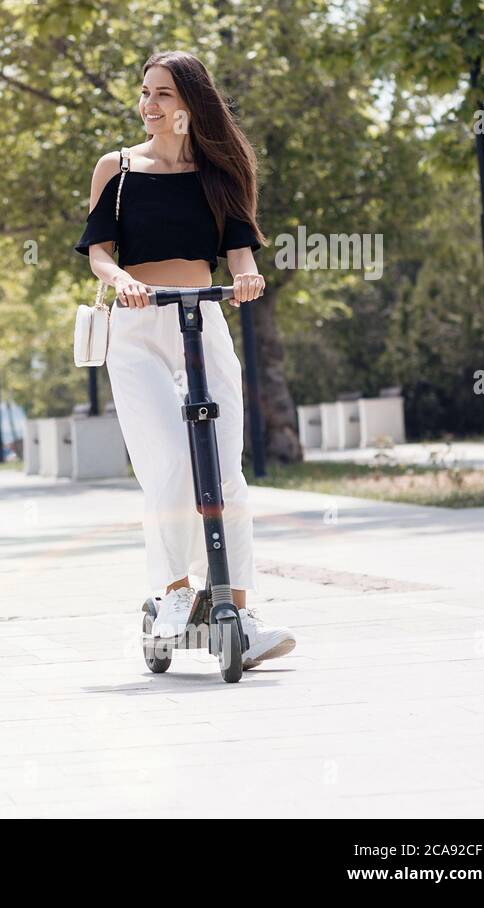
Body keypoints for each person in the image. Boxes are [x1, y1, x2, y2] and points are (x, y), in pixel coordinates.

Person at [75, 51, 296, 668]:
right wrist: (122, 280)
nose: (149, 105)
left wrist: (248, 278)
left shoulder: (221, 172)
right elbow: (98, 253)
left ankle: (239, 608)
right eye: (145, 93)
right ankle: (174, 593)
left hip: (204, 315)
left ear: (192, 103)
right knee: (170, 463)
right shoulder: (116, 169)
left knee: (226, 470)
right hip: (138, 325)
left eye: (163, 94)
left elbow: (240, 251)